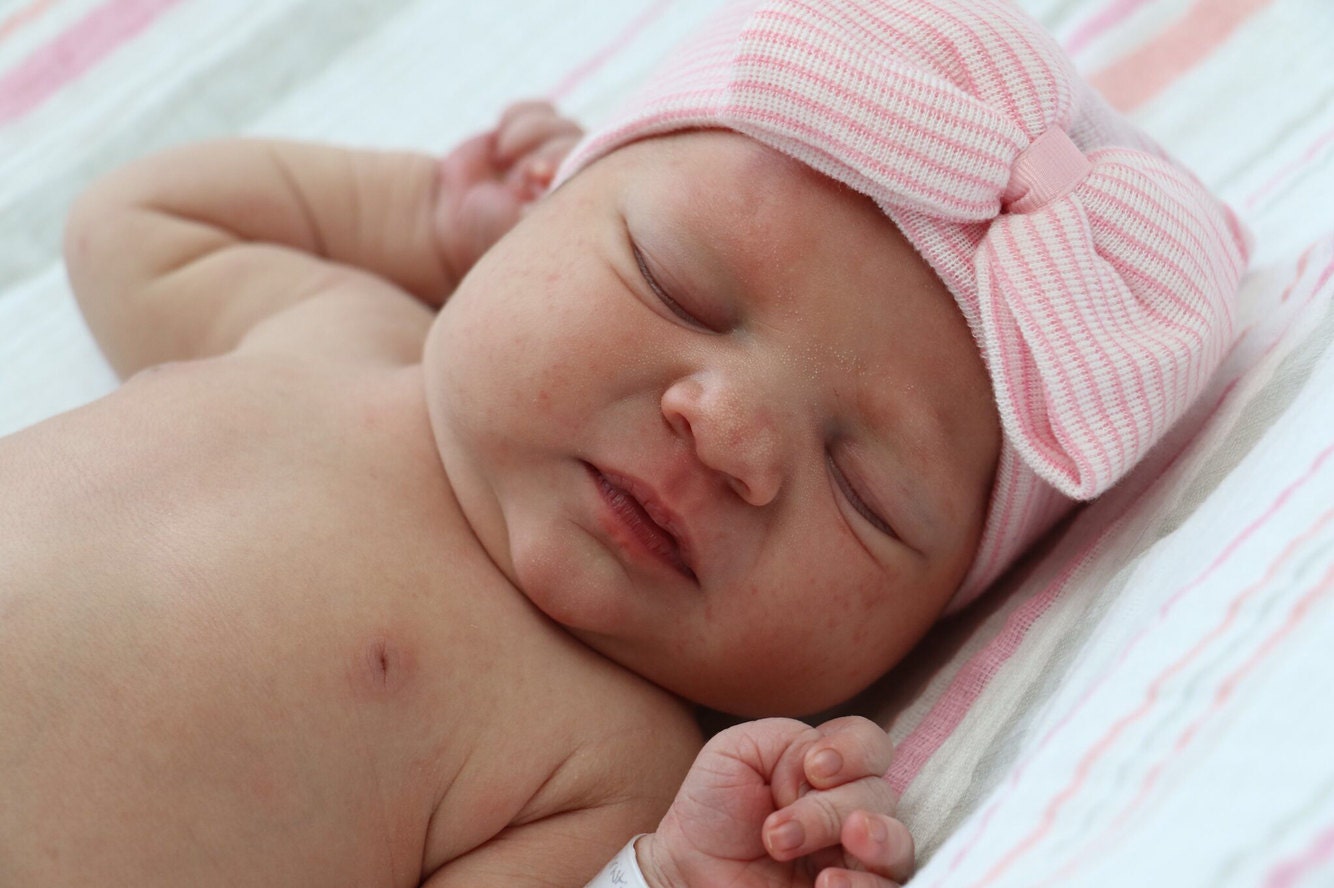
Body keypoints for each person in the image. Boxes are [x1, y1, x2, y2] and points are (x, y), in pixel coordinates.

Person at [0, 0, 1247, 885]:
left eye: (864, 493)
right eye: (673, 286)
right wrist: (424, 214)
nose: (729, 434)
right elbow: (132, 223)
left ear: (925, 630)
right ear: (541, 216)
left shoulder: (611, 757)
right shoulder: (344, 325)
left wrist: (675, 874)